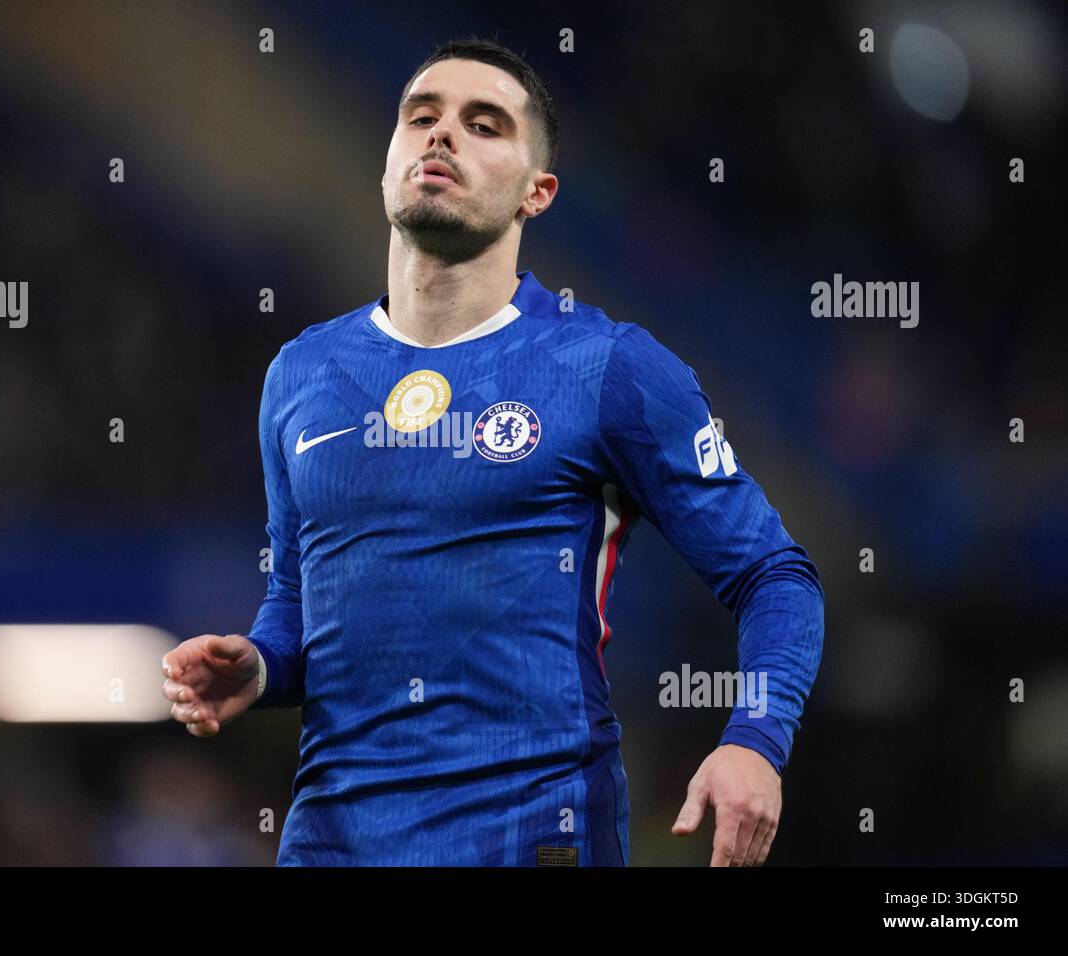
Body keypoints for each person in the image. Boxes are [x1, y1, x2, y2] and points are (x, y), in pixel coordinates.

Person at [161, 37, 824, 866]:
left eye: (484, 126)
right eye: (422, 117)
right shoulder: (302, 374)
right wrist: (259, 667)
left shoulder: (609, 368)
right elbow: (297, 598)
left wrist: (757, 738)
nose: (442, 136)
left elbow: (774, 574)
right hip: (331, 843)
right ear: (390, 160)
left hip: (531, 838)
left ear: (535, 193)